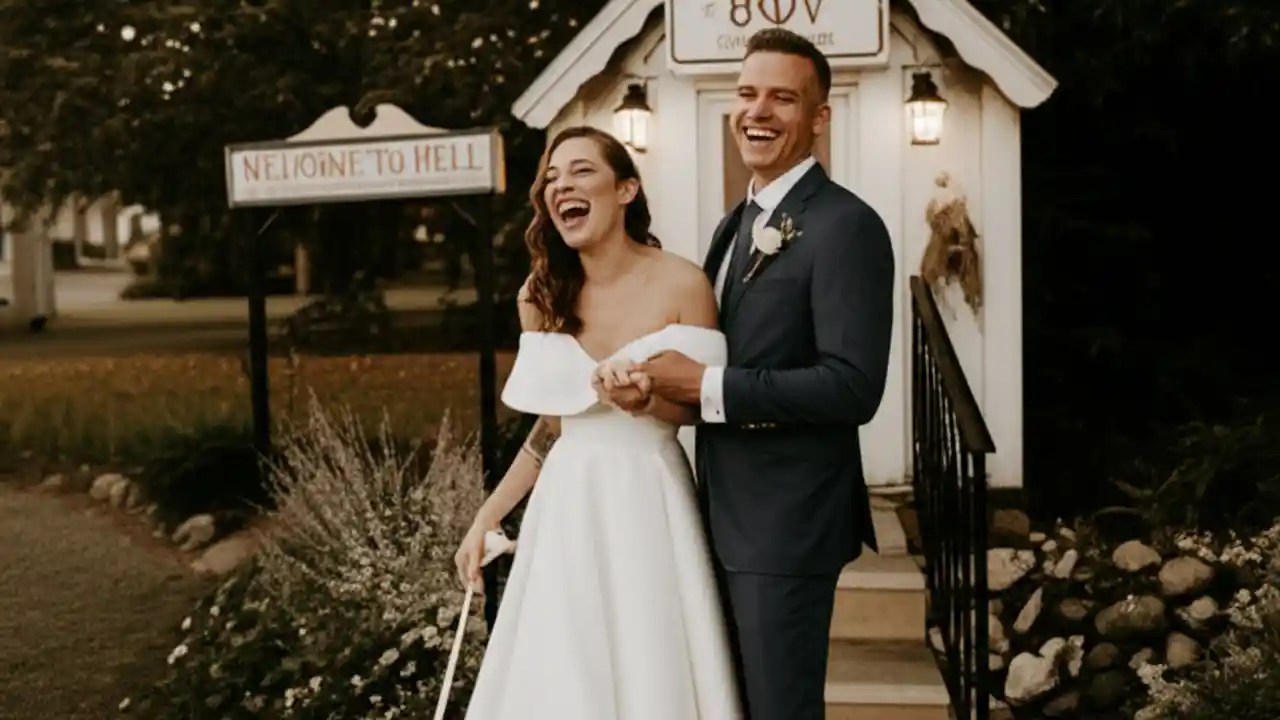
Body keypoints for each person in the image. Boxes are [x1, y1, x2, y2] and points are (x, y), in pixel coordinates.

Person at [604, 28, 895, 720]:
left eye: (782, 98)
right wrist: (658, 387)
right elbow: (724, 352)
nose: (757, 112)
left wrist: (704, 388)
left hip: (785, 523)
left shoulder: (845, 226)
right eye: (747, 93)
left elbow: (853, 384)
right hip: (722, 514)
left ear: (819, 118)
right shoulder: (739, 222)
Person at [454, 125, 743, 719]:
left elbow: (699, 407)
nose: (562, 186)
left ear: (626, 189)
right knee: (564, 660)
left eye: (581, 170)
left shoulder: (683, 282)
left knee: (649, 653)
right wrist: (488, 514)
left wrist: (647, 402)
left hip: (650, 492)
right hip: (567, 501)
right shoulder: (541, 294)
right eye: (552, 178)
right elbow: (552, 426)